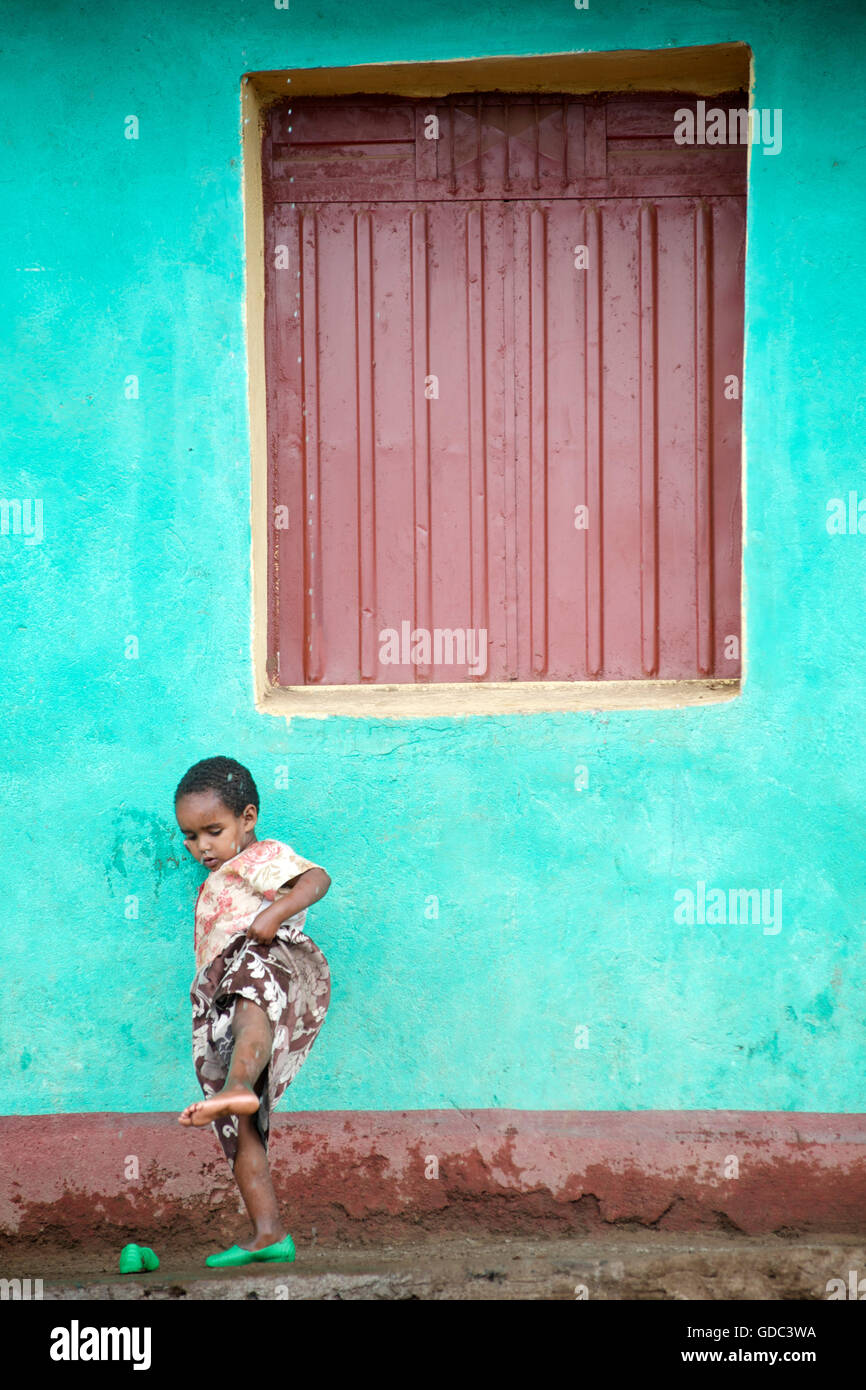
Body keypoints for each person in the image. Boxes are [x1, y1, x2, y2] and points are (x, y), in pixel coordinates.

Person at [173, 755, 331, 1268]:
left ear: (247, 818)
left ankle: (239, 1084)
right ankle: (269, 1233)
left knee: (247, 1005)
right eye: (190, 837)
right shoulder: (219, 876)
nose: (202, 847)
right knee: (241, 1132)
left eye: (212, 831)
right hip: (220, 990)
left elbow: (316, 879)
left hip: (264, 962)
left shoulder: (259, 856)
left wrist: (275, 912)